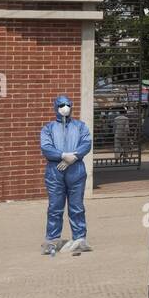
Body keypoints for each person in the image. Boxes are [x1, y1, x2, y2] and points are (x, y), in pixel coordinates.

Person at [40, 94, 92, 256]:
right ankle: (52, 239)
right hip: (55, 171)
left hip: (76, 170)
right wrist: (62, 155)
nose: (65, 108)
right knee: (55, 207)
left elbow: (86, 143)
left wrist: (73, 157)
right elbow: (46, 147)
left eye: (67, 104)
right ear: (56, 107)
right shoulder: (48, 128)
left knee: (77, 207)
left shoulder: (80, 126)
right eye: (61, 105)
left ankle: (79, 238)